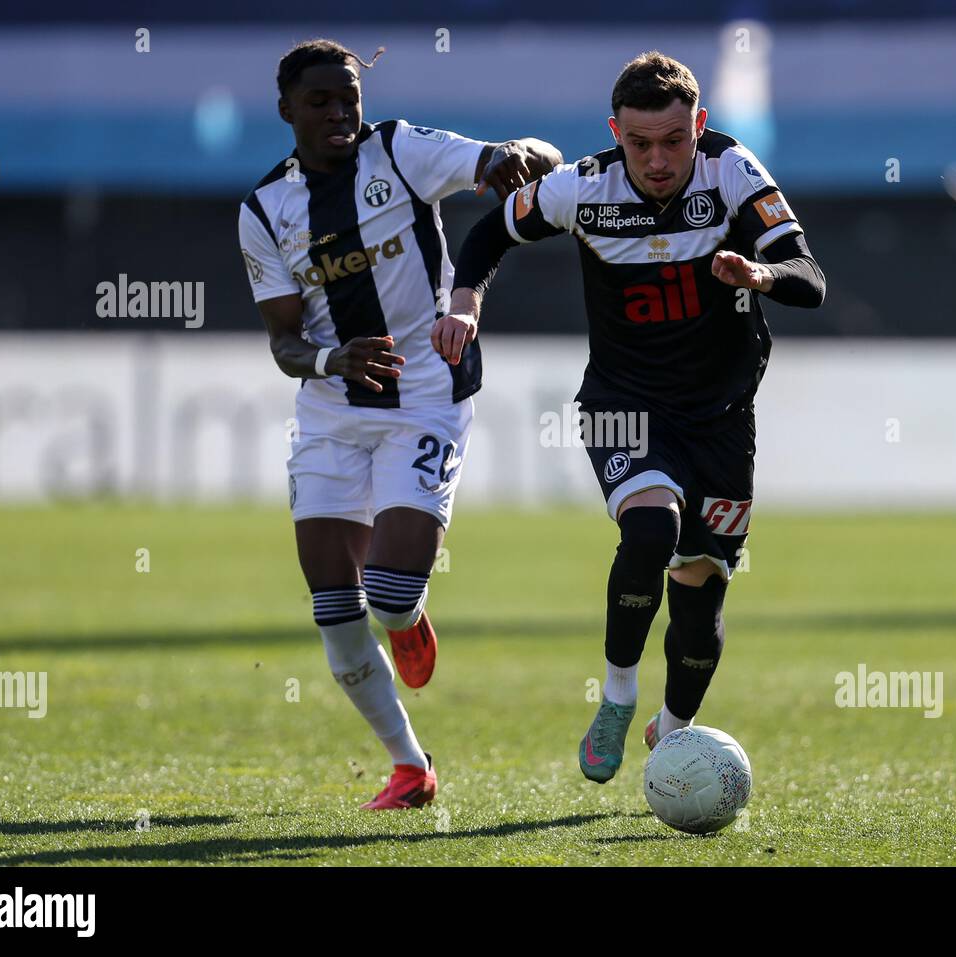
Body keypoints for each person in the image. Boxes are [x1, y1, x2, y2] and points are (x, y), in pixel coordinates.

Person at [435, 51, 825, 782]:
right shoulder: (582, 187)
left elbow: (810, 277)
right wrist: (465, 300)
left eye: (673, 141)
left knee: (701, 597)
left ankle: (673, 730)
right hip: (624, 399)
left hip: (721, 416)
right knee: (652, 527)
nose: (655, 160)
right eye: (638, 143)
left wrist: (760, 273)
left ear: (699, 127)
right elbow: (489, 234)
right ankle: (616, 697)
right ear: (616, 133)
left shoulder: (733, 172)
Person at [237, 39, 562, 807]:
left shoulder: (402, 150)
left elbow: (532, 157)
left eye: (348, 97)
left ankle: (408, 616)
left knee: (385, 593)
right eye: (319, 102)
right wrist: (329, 362)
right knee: (332, 603)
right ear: (287, 111)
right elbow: (285, 342)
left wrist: (516, 154)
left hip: (426, 394)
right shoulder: (265, 209)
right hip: (330, 412)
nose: (339, 113)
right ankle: (410, 764)